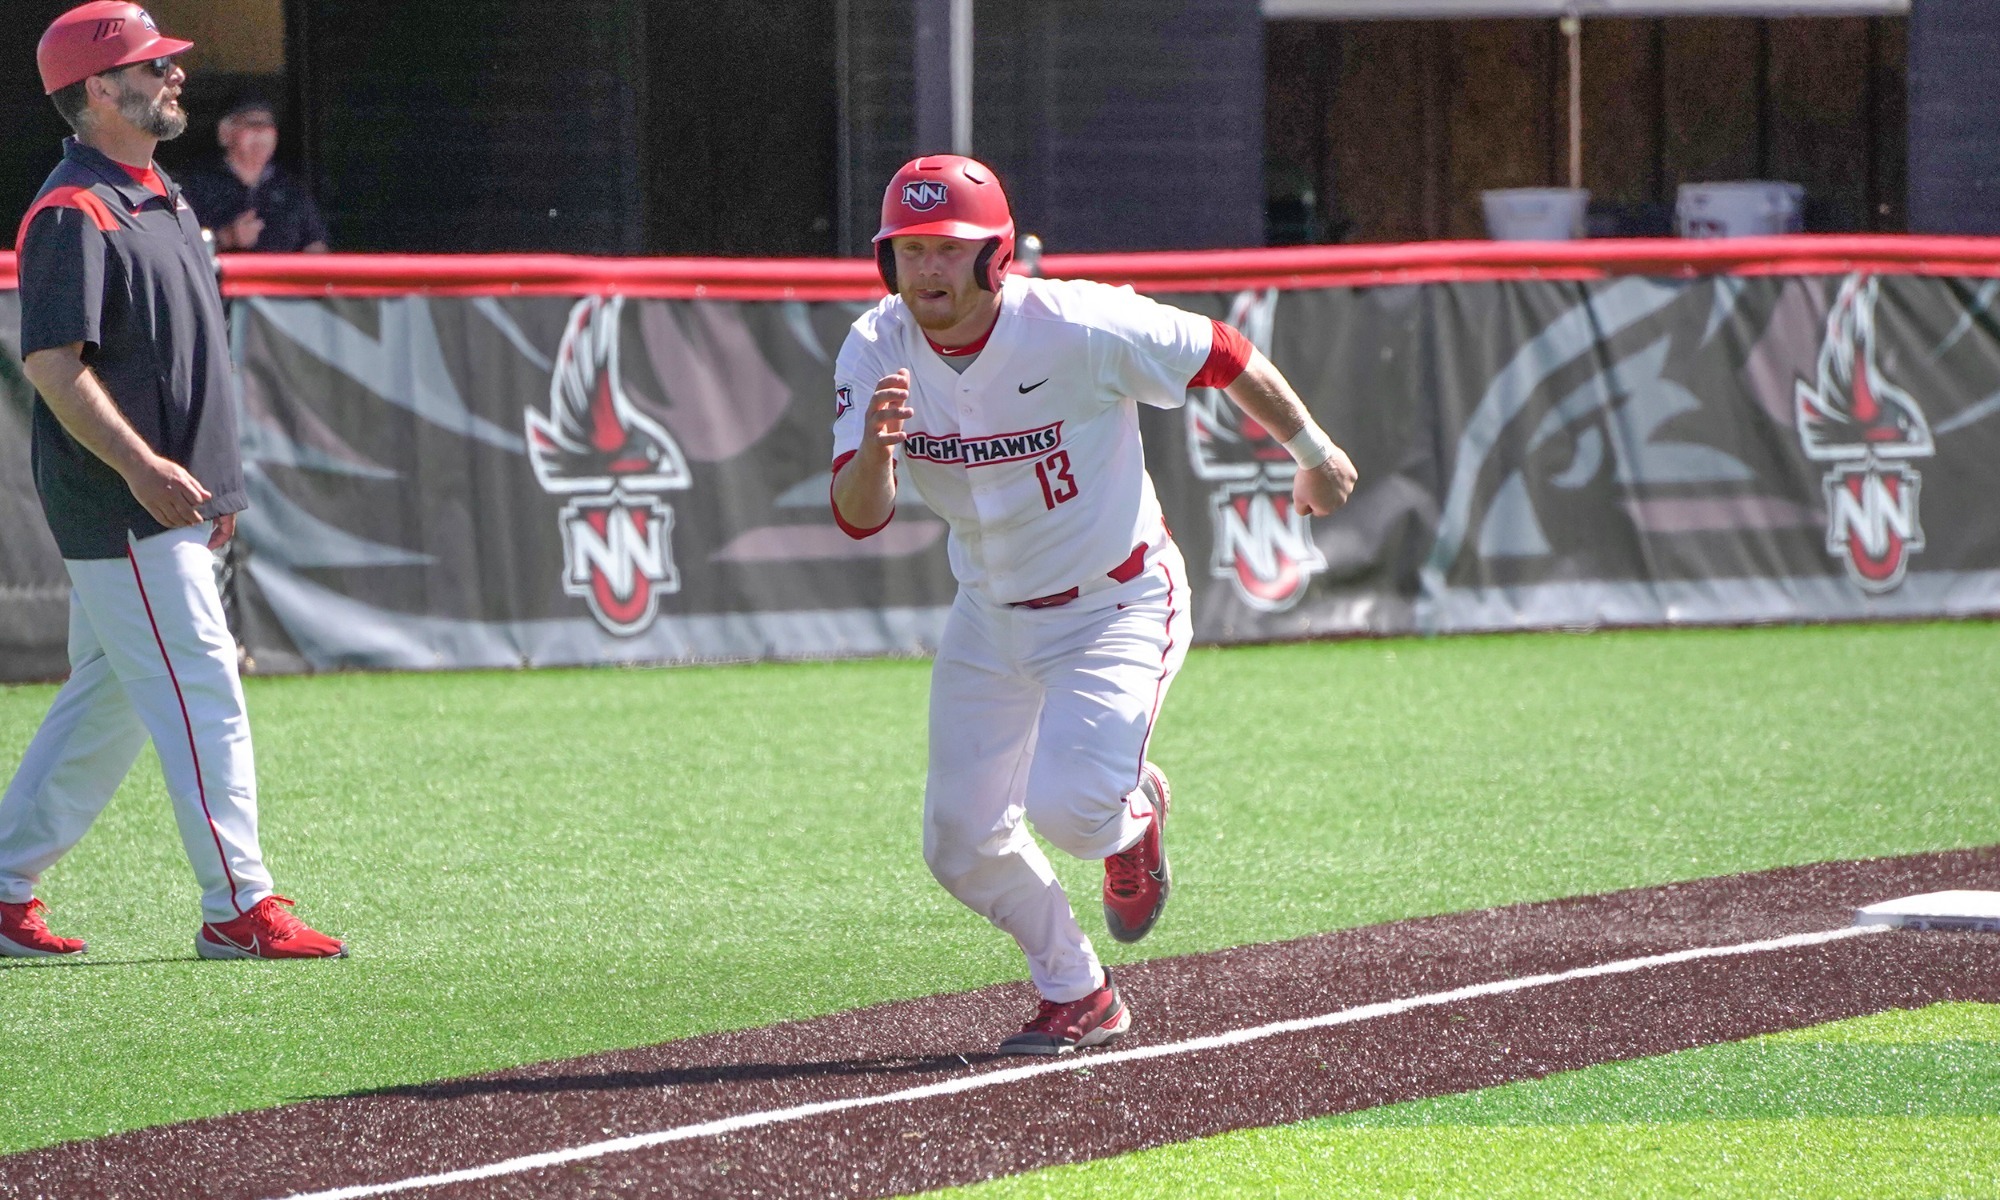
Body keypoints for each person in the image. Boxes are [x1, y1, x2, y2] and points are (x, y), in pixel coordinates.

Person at [830, 156, 1356, 1054]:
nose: (926, 271)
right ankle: (1079, 992)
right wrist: (876, 454)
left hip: (1114, 602)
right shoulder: (877, 346)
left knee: (1071, 811)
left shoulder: (1075, 323)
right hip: (989, 612)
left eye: (948, 250)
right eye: (909, 250)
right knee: (956, 842)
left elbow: (1224, 353)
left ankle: (1131, 815)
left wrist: (1313, 449)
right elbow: (858, 517)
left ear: (996, 256)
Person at [0, 2, 345, 961]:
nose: (173, 74)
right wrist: (148, 470)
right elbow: (55, 367)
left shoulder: (164, 196)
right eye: (152, 65)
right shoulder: (72, 211)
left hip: (171, 502)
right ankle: (237, 905)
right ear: (99, 91)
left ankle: (0, 887)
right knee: (203, 688)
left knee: (106, 699)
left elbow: (186, 360)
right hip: (122, 503)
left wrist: (213, 491)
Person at [181, 96, 328, 253]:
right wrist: (225, 238)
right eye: (251, 123)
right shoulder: (196, 185)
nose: (261, 131)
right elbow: (175, 250)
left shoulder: (291, 189)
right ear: (225, 133)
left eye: (268, 124)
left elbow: (316, 245)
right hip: (219, 276)